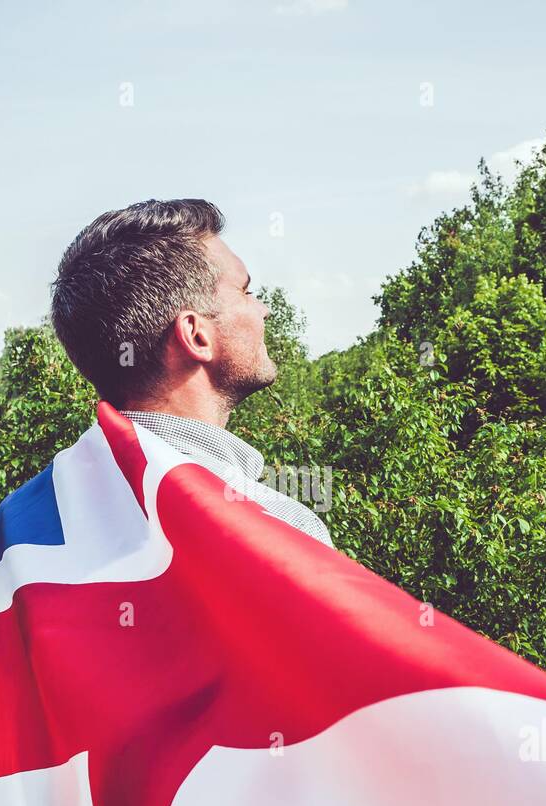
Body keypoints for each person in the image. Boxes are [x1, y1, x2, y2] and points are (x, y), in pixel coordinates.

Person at [48, 198, 333, 547]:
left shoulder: (14, 526)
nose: (264, 310)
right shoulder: (283, 532)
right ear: (197, 336)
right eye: (246, 291)